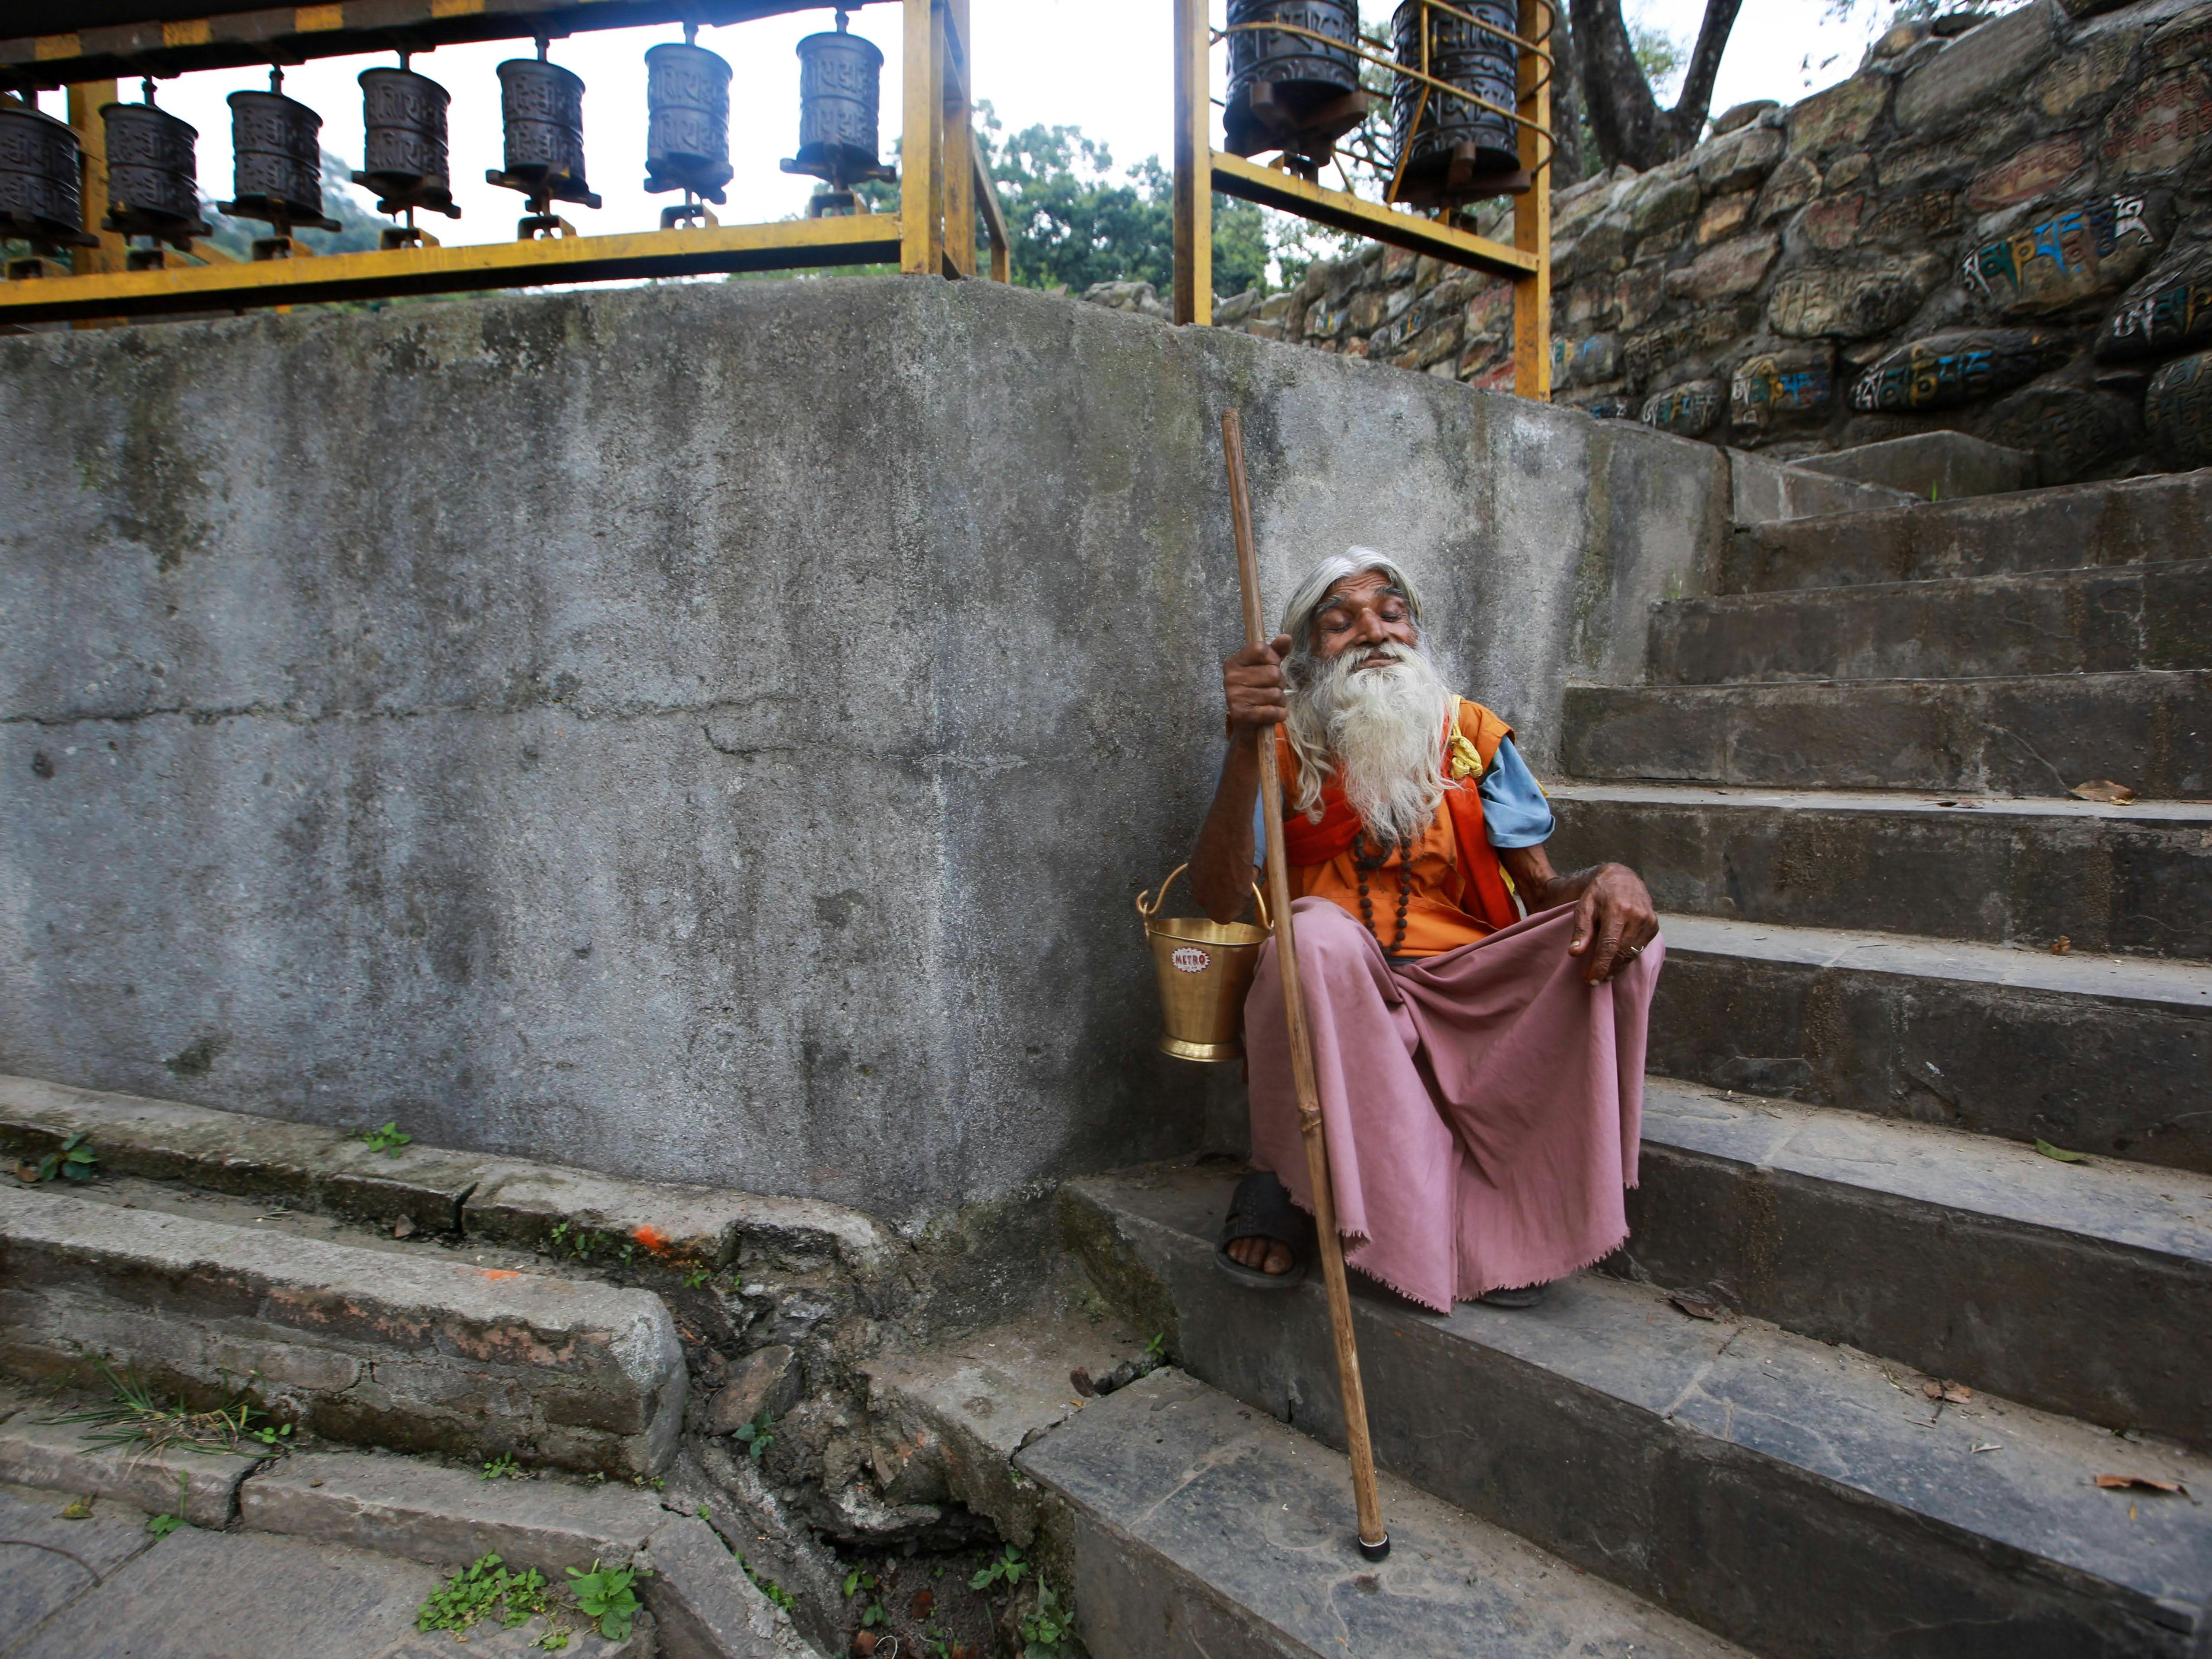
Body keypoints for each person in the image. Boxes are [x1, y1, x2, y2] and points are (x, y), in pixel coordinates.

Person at [1189, 549, 1661, 1312]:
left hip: (1465, 987)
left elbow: (1542, 891)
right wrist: (1242, 742)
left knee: (1625, 933)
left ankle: (1512, 1216)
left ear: (1415, 631)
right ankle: (1290, 1178)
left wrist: (1609, 880)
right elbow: (1217, 901)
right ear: (1309, 655)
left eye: (1391, 613)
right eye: (1340, 623)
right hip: (1340, 992)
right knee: (1313, 936)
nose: (1373, 633)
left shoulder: (1470, 734)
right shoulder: (1278, 744)